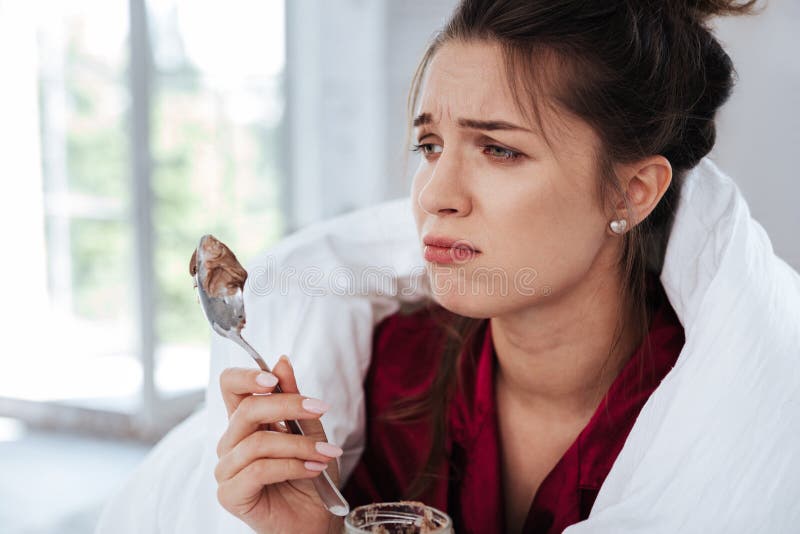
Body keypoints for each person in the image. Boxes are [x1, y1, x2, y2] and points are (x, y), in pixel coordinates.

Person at [210, 0, 776, 533]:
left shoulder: (721, 426)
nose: (435, 194)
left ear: (630, 192)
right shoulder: (391, 376)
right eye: (429, 145)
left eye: (499, 150)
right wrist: (320, 529)